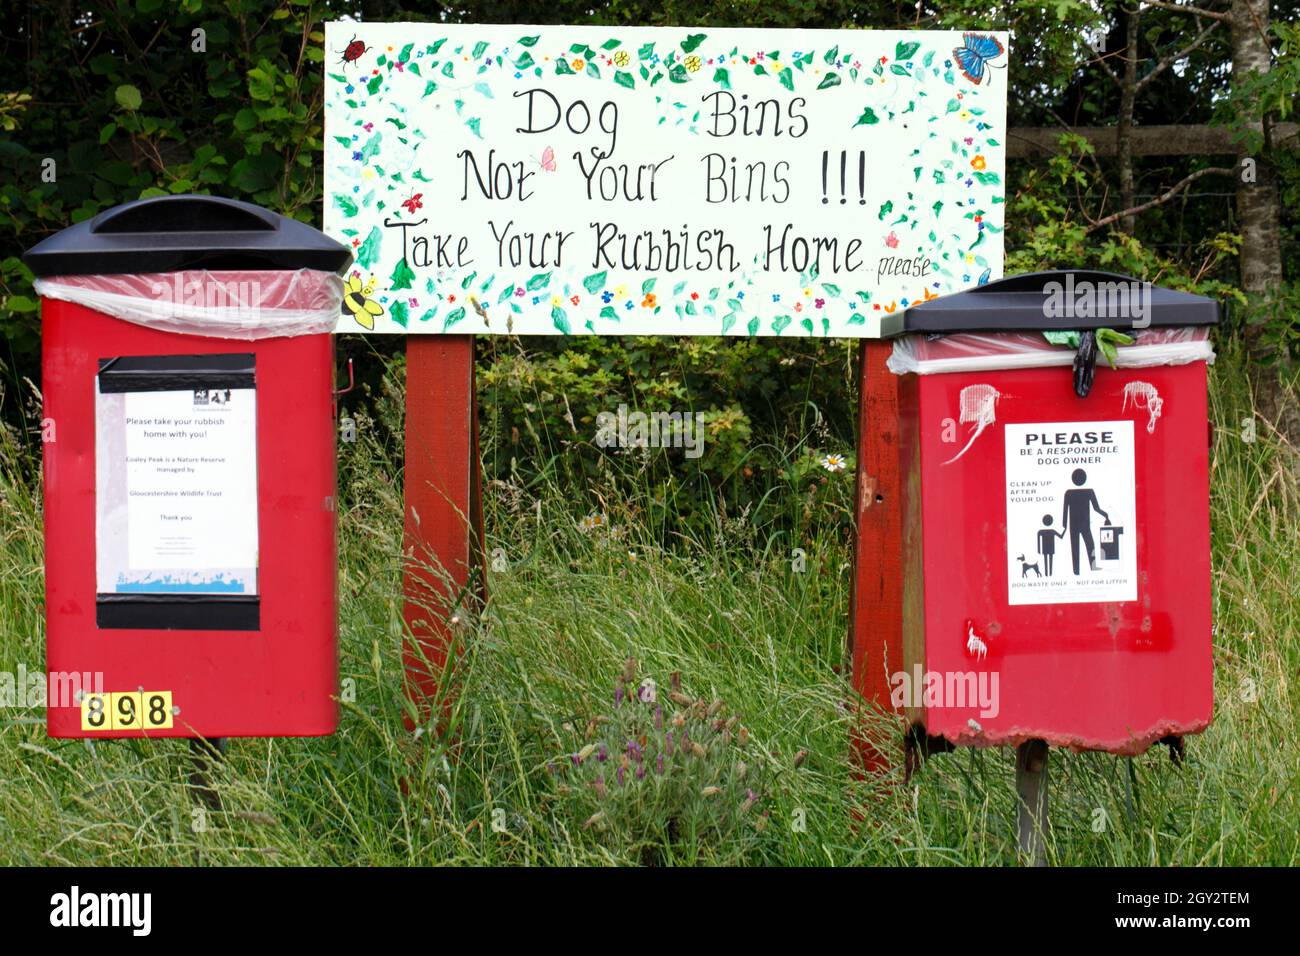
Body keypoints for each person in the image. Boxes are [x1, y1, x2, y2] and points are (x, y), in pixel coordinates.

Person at [1061, 468, 1109, 574]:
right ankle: (1093, 567)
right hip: (1084, 524)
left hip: (1074, 525)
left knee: (1076, 547)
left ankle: (1077, 571)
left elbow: (1065, 511)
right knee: (1090, 544)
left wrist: (1064, 526)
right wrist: (1105, 514)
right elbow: (1096, 508)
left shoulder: (1068, 493)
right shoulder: (1088, 492)